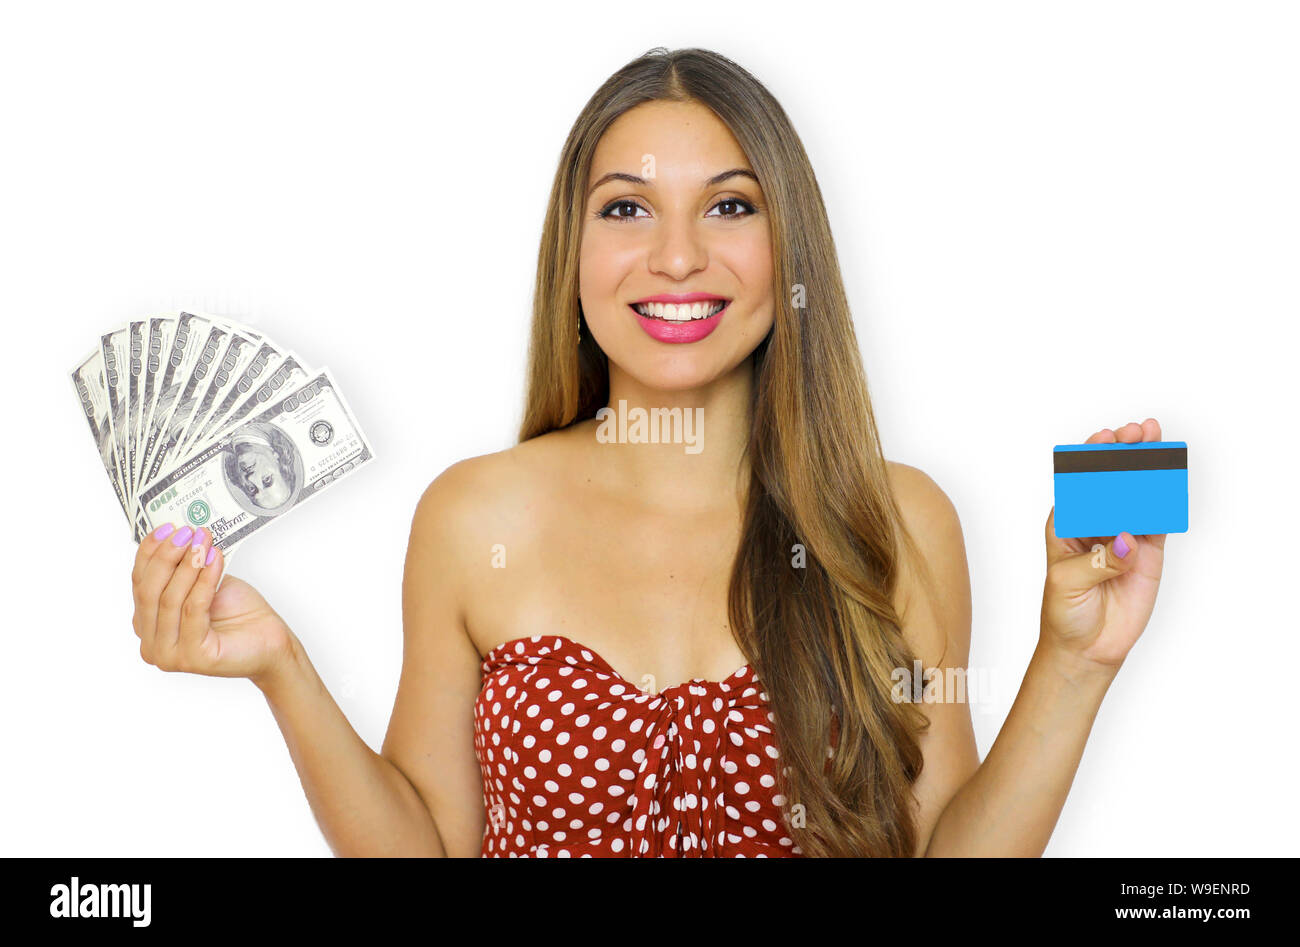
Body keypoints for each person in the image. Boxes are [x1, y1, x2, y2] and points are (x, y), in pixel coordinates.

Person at [129, 47, 1168, 857]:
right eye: (626, 207)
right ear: (572, 253)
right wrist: (280, 666)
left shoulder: (896, 519)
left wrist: (1075, 661)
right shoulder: (475, 516)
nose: (677, 255)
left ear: (787, 247)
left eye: (729, 205)